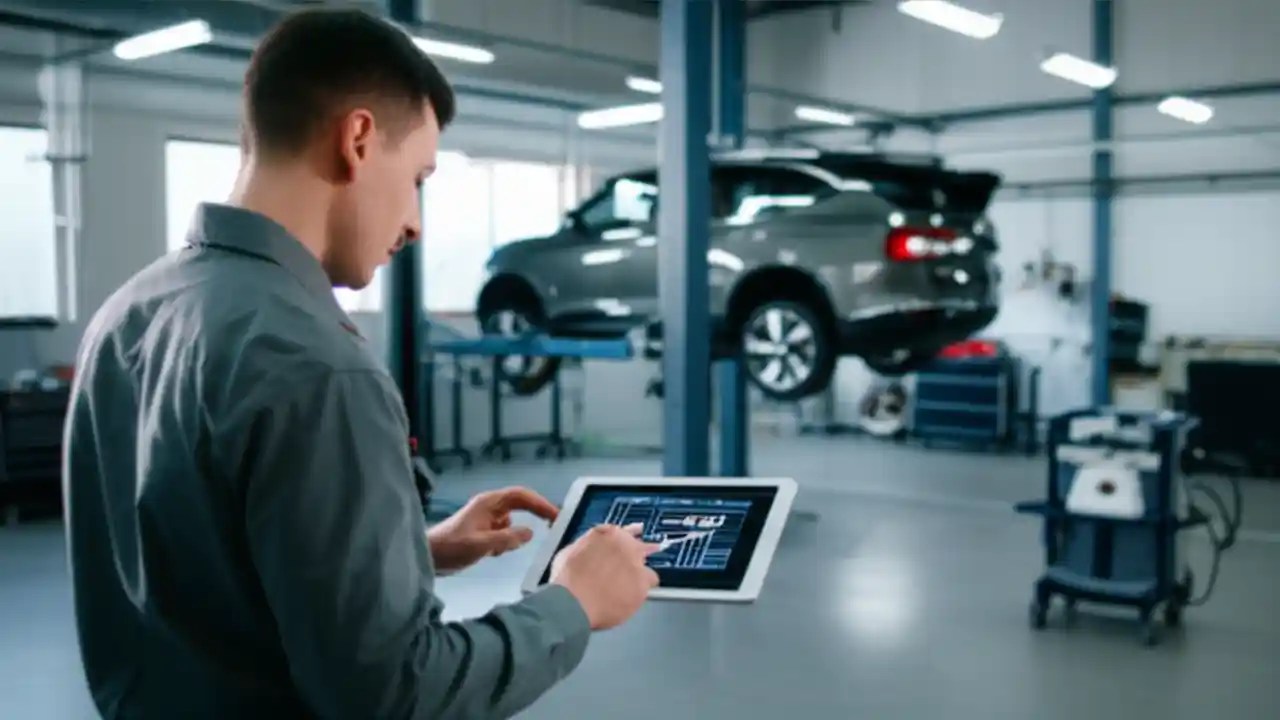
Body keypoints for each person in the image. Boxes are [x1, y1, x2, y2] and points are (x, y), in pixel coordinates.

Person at [62, 8, 659, 719]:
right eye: (417, 178)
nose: (415, 222)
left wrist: (407, 550)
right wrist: (573, 603)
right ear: (358, 140)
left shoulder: (127, 314)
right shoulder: (317, 364)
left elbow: (199, 569)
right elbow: (394, 694)